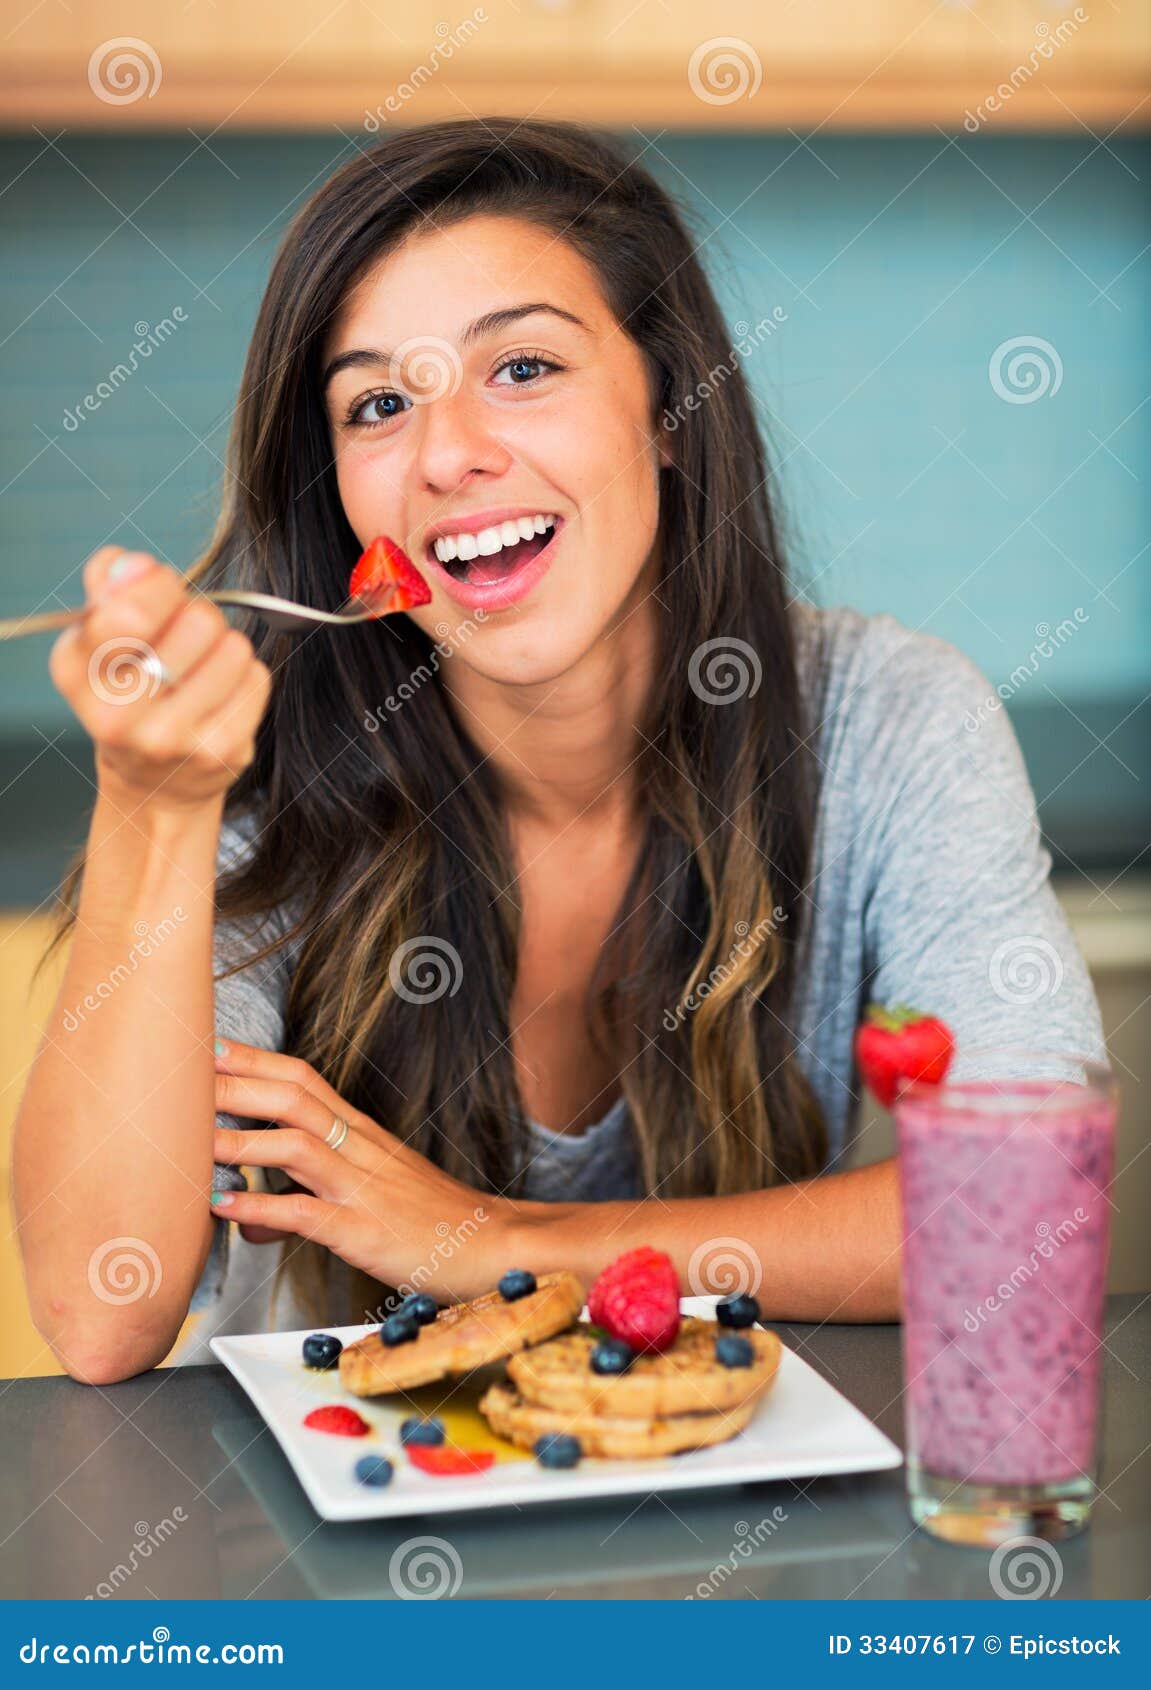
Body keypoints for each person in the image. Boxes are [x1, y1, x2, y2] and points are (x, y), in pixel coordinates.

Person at [13, 119, 1102, 1383]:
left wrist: (500, 1242)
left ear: (672, 411)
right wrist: (150, 807)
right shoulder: (253, 762)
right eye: (378, 403)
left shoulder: (889, 720)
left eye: (521, 368)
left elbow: (1030, 1213)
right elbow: (101, 1313)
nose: (447, 453)